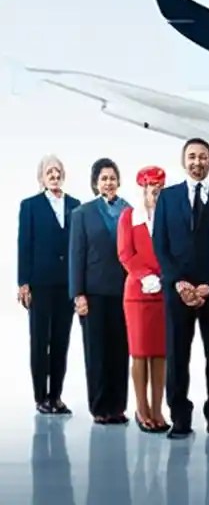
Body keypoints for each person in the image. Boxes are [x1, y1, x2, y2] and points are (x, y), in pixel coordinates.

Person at [151, 137, 209, 440]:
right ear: (183, 161)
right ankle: (179, 418)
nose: (197, 162)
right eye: (192, 156)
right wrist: (179, 282)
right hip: (178, 290)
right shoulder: (167, 197)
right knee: (177, 356)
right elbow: (160, 244)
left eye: (202, 157)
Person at [68, 158, 131, 425]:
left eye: (112, 178)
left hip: (123, 293)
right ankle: (100, 408)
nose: (108, 182)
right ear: (95, 183)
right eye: (103, 178)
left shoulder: (129, 210)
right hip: (93, 293)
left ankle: (117, 407)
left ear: (118, 181)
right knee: (96, 352)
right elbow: (76, 255)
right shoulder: (82, 213)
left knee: (119, 351)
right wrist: (78, 294)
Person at [17, 154, 80, 415]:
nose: (54, 176)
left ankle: (56, 396)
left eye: (57, 171)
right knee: (40, 341)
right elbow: (24, 244)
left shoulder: (75, 205)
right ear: (42, 178)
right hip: (40, 284)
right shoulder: (30, 205)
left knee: (61, 341)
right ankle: (41, 397)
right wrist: (23, 282)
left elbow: (79, 247)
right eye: (49, 172)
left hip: (66, 284)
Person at [116, 166, 169, 433]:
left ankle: (158, 410)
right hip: (138, 295)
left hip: (163, 293)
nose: (154, 193)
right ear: (144, 189)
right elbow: (125, 253)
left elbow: (174, 249)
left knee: (160, 354)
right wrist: (144, 276)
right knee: (139, 353)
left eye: (159, 189)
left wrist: (165, 276)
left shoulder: (168, 215)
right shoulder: (129, 216)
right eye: (151, 188)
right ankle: (141, 409)